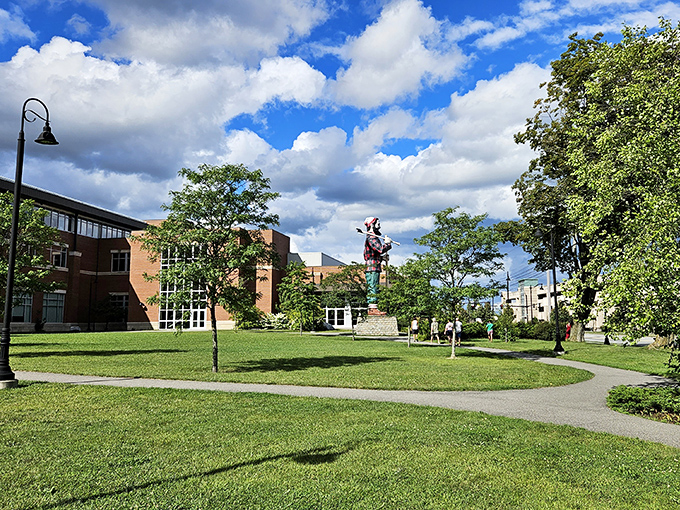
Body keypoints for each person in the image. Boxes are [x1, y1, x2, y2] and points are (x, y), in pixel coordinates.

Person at [363, 217, 392, 314]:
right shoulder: (371, 237)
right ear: (372, 225)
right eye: (378, 224)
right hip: (372, 267)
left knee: (375, 286)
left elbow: (373, 254)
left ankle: (374, 307)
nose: (379, 227)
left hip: (374, 265)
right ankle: (372, 308)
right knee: (373, 286)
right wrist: (387, 244)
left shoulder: (373, 237)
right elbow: (379, 249)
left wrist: (382, 258)